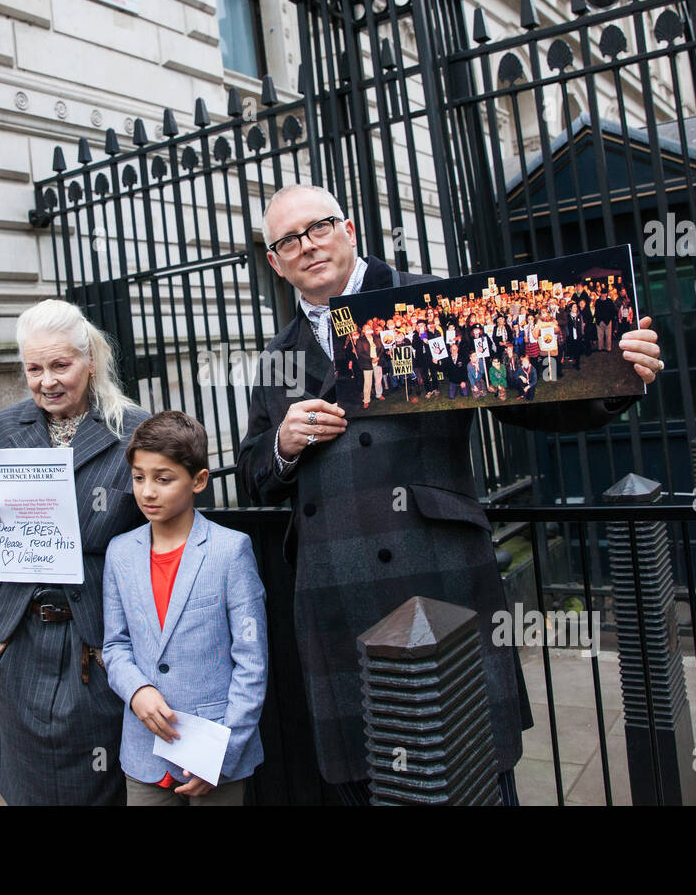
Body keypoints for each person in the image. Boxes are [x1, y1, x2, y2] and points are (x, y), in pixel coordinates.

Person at [234, 184, 664, 805]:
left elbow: (532, 399)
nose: (308, 246)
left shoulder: (430, 304)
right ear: (275, 262)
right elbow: (254, 471)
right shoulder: (279, 354)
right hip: (334, 590)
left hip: (435, 569)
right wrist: (284, 442)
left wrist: (614, 375)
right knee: (367, 777)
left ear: (348, 228)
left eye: (319, 227)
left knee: (468, 767)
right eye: (288, 241)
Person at [0, 299, 150, 805]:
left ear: (90, 361)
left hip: (102, 641)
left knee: (101, 784)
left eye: (60, 365)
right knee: (29, 787)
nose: (46, 381)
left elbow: (169, 536)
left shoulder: (136, 432)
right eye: (34, 368)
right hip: (18, 636)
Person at [101, 411, 269, 805]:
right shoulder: (120, 552)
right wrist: (137, 690)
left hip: (214, 747)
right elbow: (115, 645)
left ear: (198, 480)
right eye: (139, 477)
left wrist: (223, 754)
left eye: (163, 479)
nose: (147, 492)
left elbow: (251, 662)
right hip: (144, 750)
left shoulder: (231, 551)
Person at [595, 287, 616, 352]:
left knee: (608, 335)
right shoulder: (597, 301)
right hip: (599, 321)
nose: (603, 295)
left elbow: (613, 311)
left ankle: (608, 348)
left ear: (606, 294)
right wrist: (597, 319)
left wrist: (611, 319)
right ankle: (600, 347)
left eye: (605, 293)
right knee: (600, 336)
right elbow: (596, 311)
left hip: (608, 320)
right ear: (600, 294)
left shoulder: (610, 301)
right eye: (602, 293)